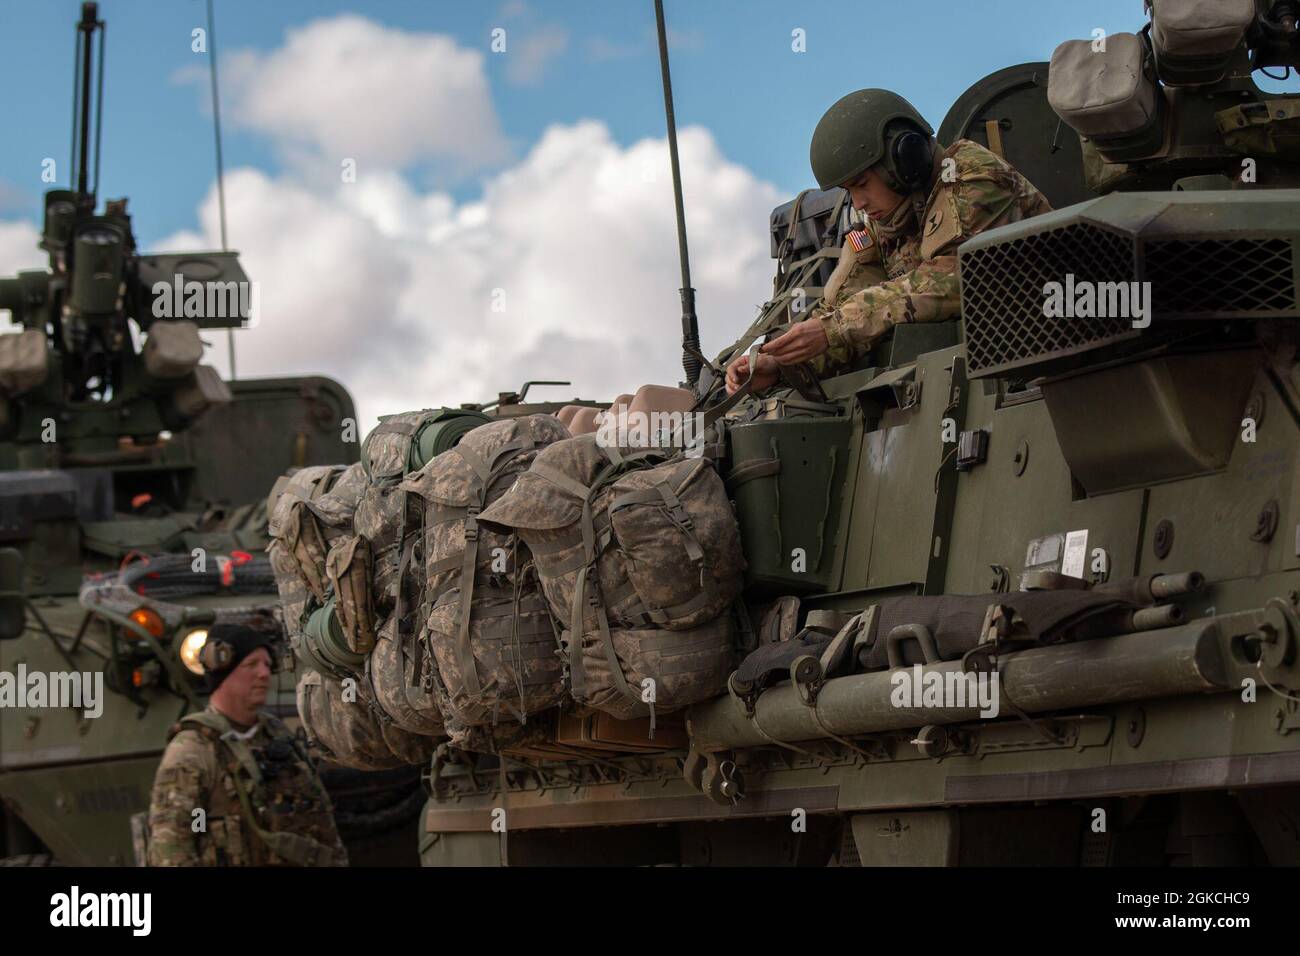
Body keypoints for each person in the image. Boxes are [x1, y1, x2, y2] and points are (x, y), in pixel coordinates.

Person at [726, 88, 1051, 395]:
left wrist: (834, 327)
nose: (858, 203)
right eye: (849, 191)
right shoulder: (893, 219)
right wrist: (782, 365)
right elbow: (855, 315)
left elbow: (956, 279)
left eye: (862, 184)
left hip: (1045, 356)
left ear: (904, 159)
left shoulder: (970, 176)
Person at [146, 622, 348, 866]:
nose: (263, 674)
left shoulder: (278, 737)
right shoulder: (193, 749)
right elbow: (170, 849)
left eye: (267, 665)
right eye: (251, 664)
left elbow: (323, 823)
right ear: (222, 672)